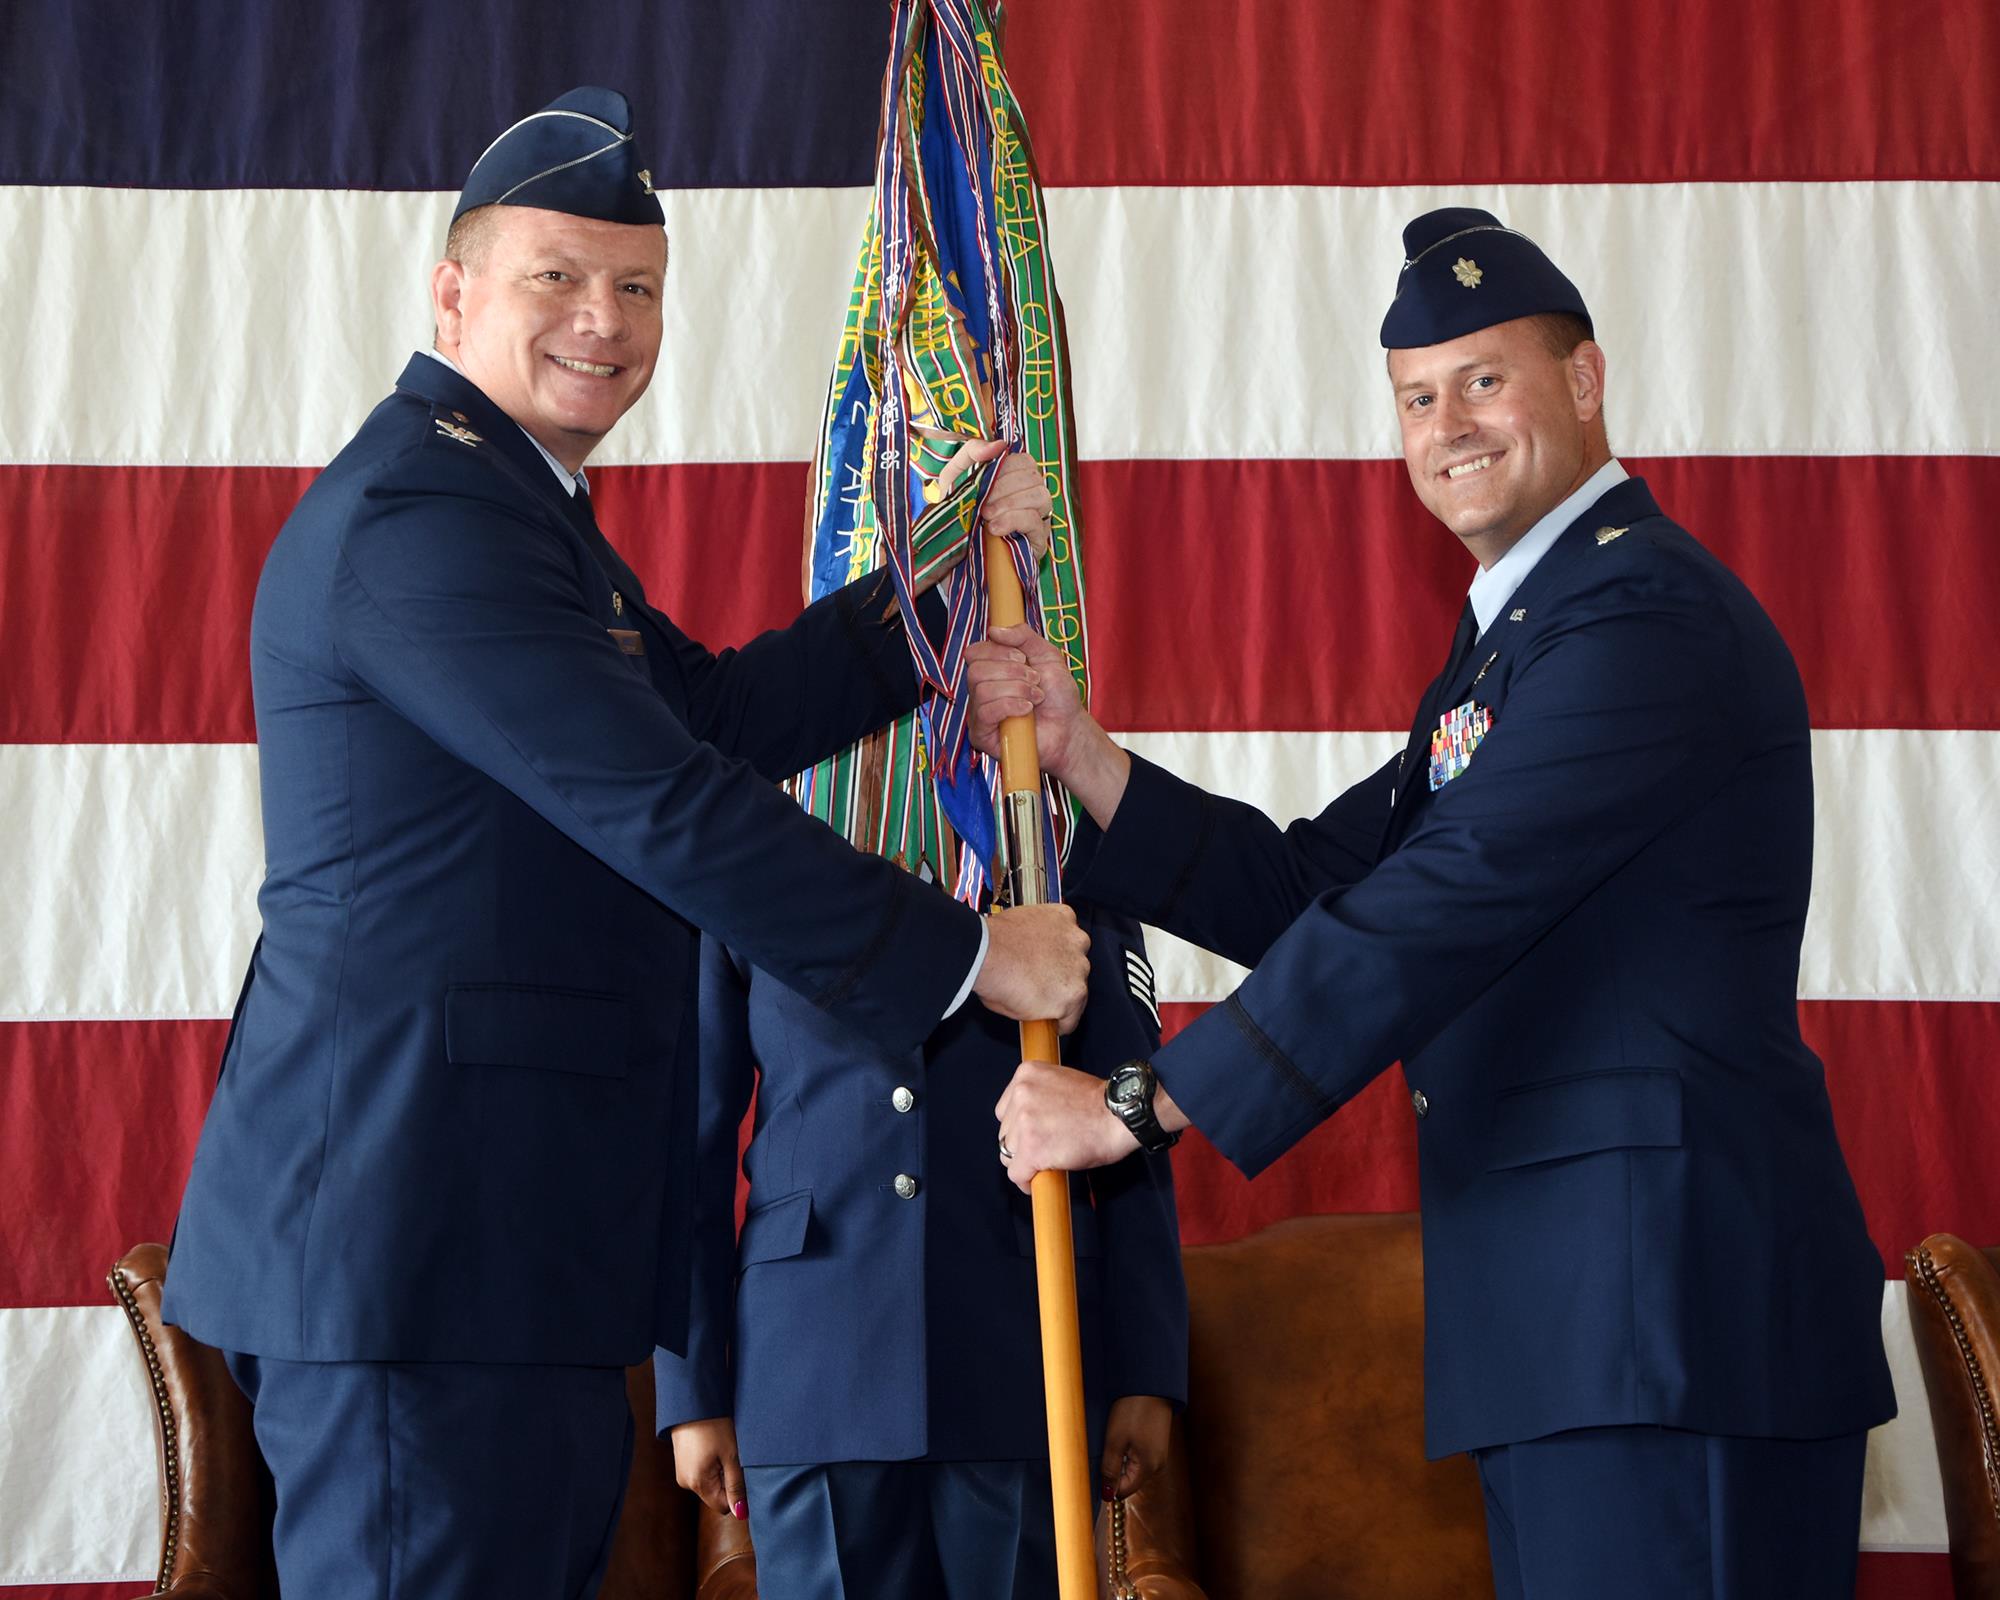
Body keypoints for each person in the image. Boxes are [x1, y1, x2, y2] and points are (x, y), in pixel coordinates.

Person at [159, 87, 1091, 1600]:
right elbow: (664, 805)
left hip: (506, 1256)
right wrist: (968, 954)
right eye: (556, 278)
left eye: (637, 286)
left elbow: (703, 717)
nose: (604, 318)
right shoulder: (423, 515)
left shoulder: (517, 510)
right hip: (419, 1255)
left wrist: (933, 584)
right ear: (452, 291)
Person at [971, 207, 1897, 1599]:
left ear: (1583, 381)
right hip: (1572, 1326)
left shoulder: (1642, 619)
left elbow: (1444, 907)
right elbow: (1322, 887)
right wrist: (1086, 754)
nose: (1449, 424)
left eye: (1485, 379)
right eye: (1417, 396)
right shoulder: (1516, 643)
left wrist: (1131, 1105)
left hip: (1670, 1323)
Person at [655, 916, 1186, 1598]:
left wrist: (1146, 1370)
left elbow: (1126, 1115)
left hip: (1022, 1357)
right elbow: (690, 1140)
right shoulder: (746, 830)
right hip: (812, 1369)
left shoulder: (1050, 829)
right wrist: (692, 1389)